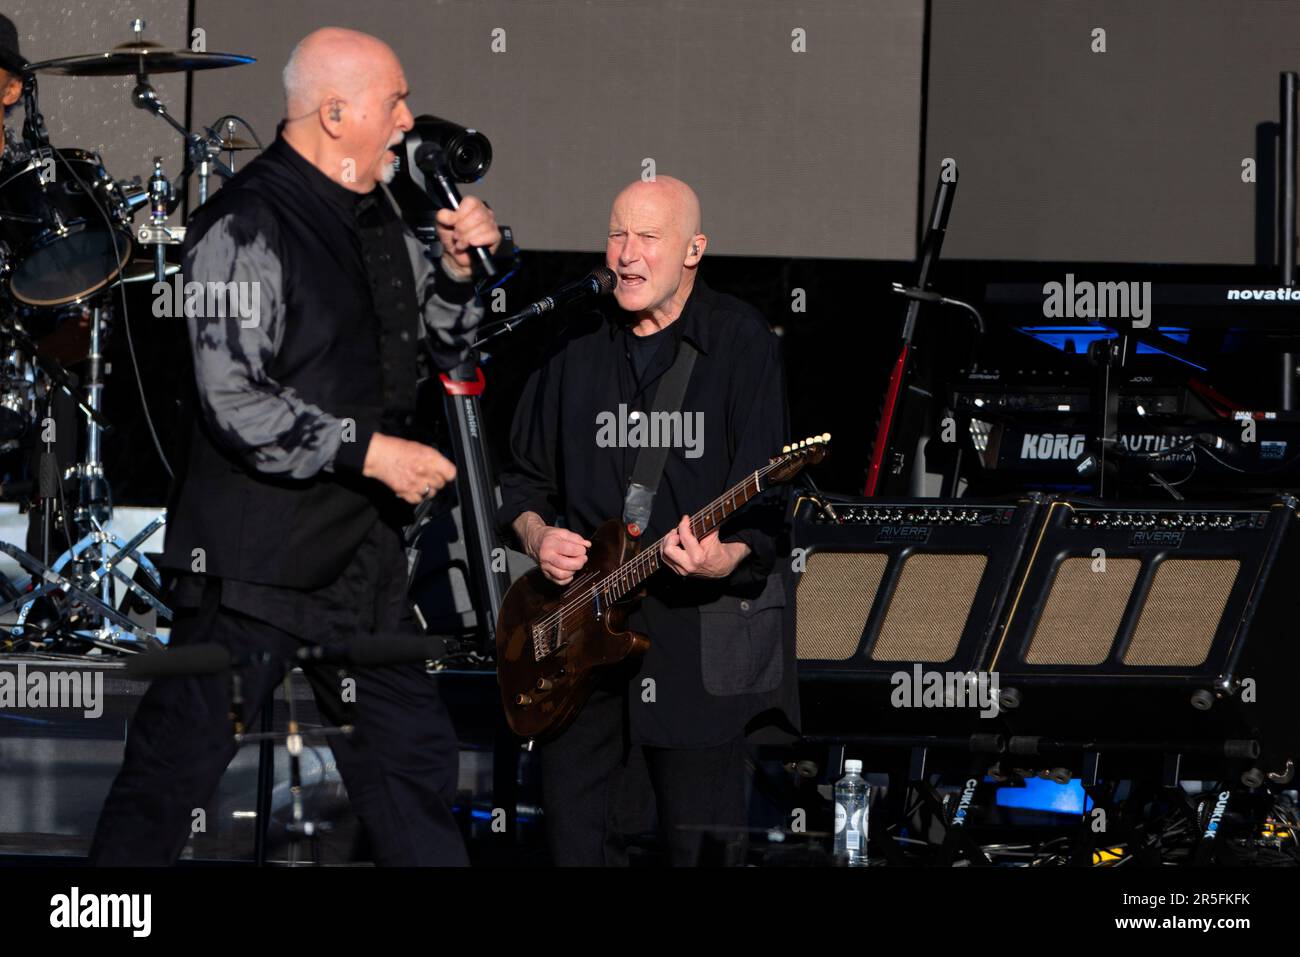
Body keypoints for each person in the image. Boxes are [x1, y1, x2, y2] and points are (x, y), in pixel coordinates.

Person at [89, 27, 501, 866]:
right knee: (174, 772)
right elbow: (235, 400)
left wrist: (458, 274)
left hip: (360, 561)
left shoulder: (382, 216)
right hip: (255, 562)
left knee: (409, 764)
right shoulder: (245, 223)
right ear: (336, 111)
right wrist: (371, 452)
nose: (407, 119)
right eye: (393, 101)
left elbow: (446, 346)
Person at [499, 175, 797, 866]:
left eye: (648, 238)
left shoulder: (740, 342)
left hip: (697, 655)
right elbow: (518, 482)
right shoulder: (573, 339)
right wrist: (538, 535)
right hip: (578, 658)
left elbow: (771, 509)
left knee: (696, 850)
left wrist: (723, 558)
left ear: (694, 249)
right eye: (616, 234)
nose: (626, 254)